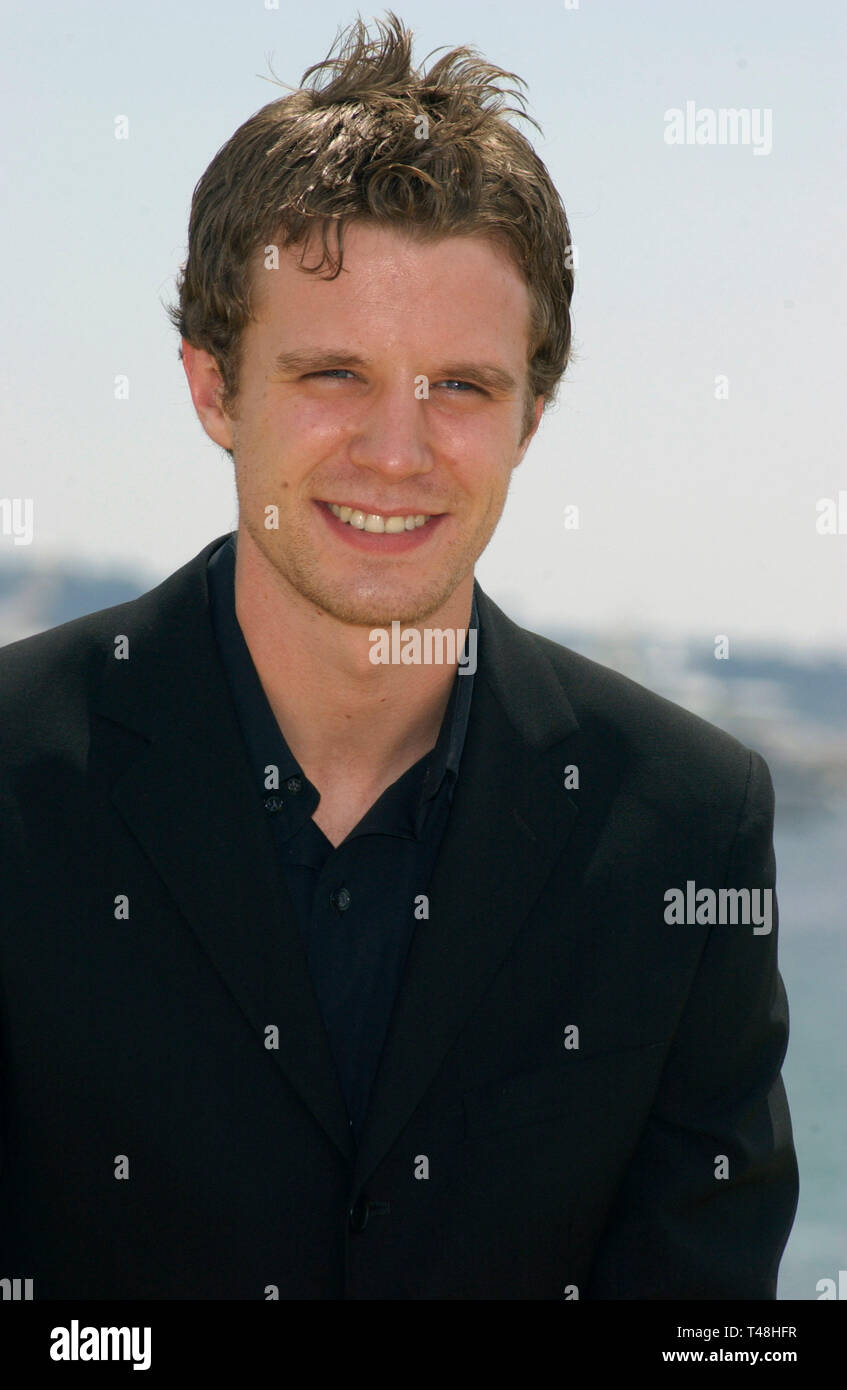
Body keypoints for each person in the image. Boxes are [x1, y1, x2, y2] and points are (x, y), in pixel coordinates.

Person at [0, 11, 797, 1299]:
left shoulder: (691, 824)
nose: (397, 450)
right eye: (332, 373)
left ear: (535, 413)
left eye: (463, 388)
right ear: (212, 386)